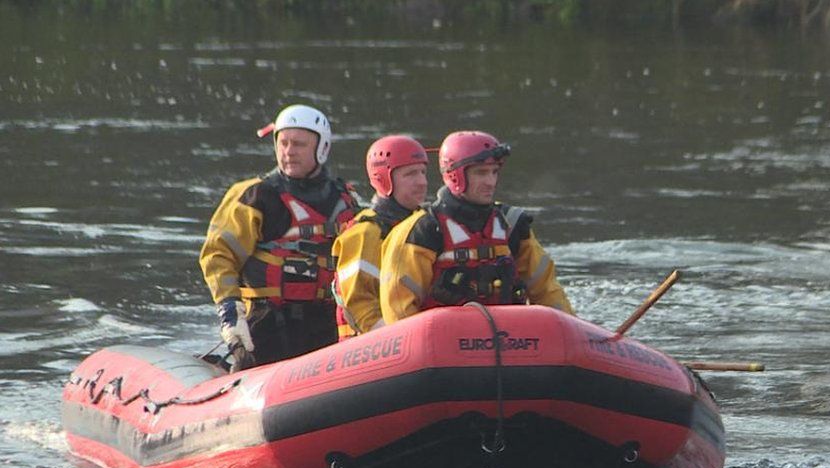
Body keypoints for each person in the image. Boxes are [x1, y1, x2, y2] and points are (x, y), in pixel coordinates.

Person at [200, 104, 361, 368]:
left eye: (298, 144)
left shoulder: (344, 200)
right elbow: (218, 256)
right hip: (265, 323)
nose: (288, 151)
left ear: (321, 148)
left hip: (324, 321)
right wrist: (230, 311)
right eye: (283, 143)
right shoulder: (255, 196)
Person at [379, 130, 573, 324]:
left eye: (494, 172)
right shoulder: (422, 231)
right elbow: (399, 311)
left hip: (510, 336)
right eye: (481, 173)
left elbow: (547, 291)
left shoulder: (512, 225)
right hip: (443, 339)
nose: (490, 182)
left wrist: (569, 329)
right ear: (455, 176)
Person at [331, 135, 428, 338]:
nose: (422, 182)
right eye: (410, 174)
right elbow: (358, 303)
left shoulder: (424, 225)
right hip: (369, 347)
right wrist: (396, 337)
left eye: (423, 172)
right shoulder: (365, 233)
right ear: (383, 178)